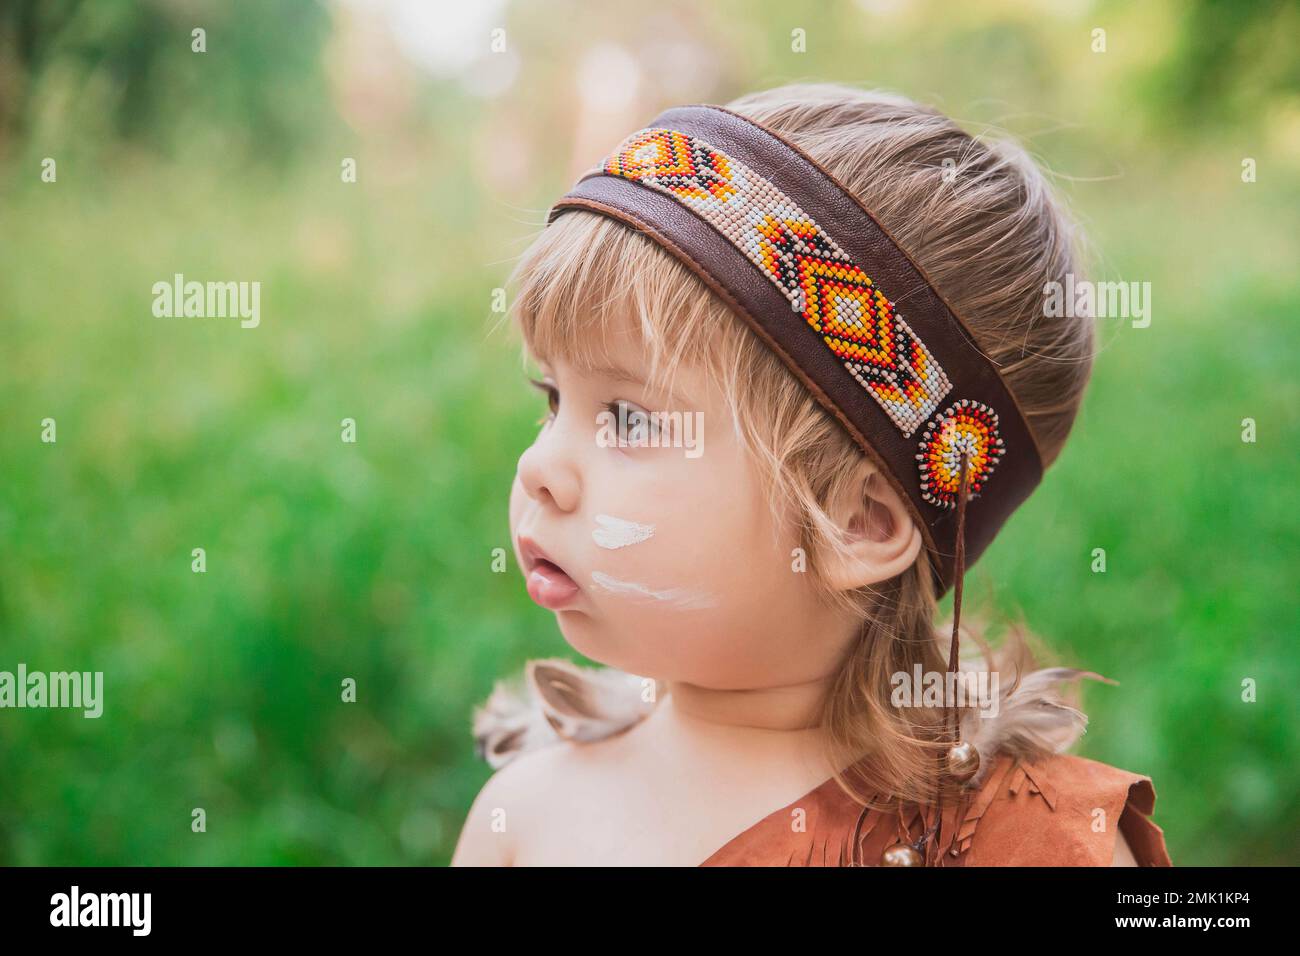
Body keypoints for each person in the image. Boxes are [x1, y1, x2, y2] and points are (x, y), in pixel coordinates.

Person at [452, 83, 1172, 867]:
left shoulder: (1027, 844)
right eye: (553, 398)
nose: (540, 466)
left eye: (629, 419)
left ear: (857, 522)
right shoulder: (527, 817)